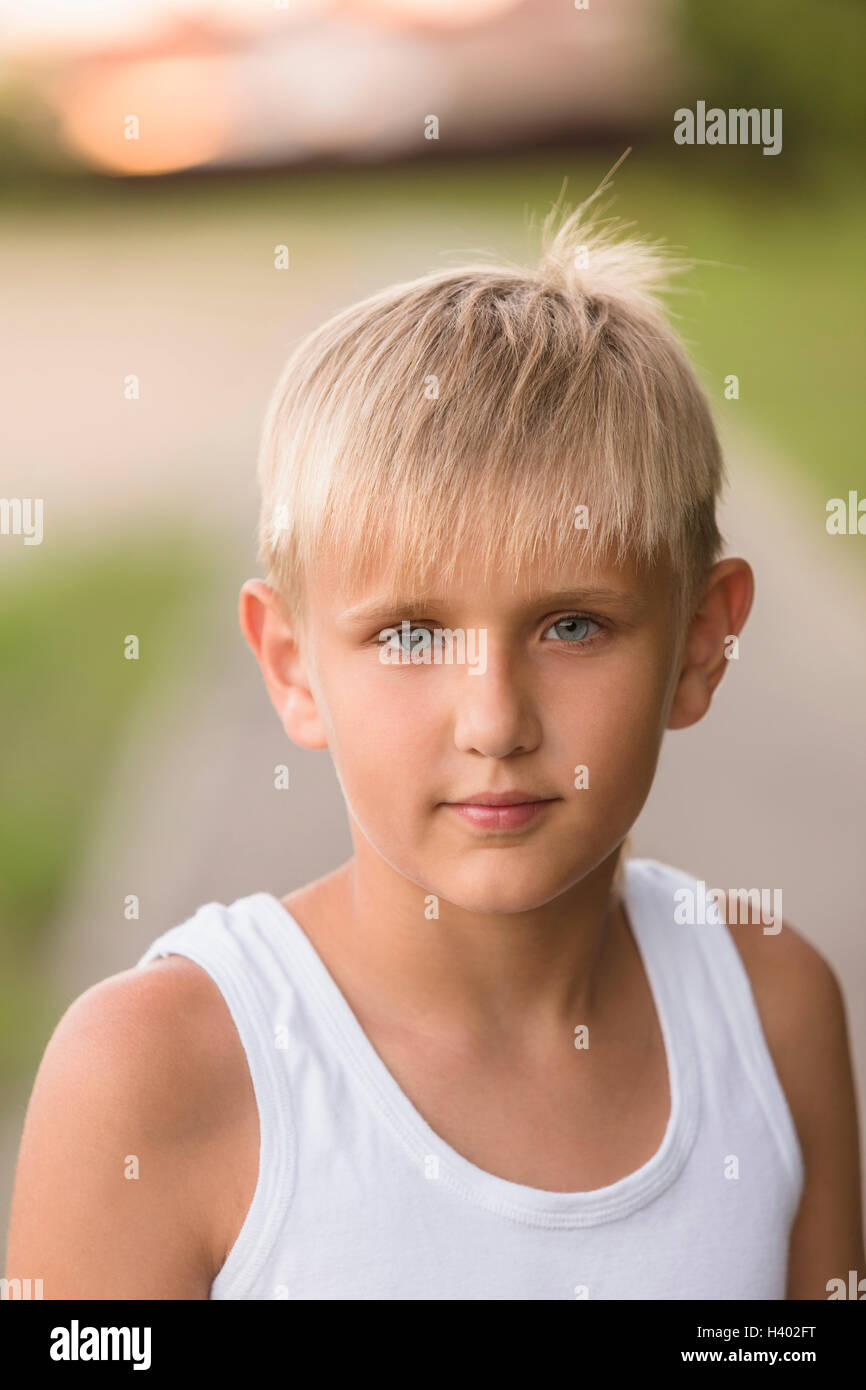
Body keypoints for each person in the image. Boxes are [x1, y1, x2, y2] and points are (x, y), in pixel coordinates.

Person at [6, 175, 863, 1300]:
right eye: (410, 633)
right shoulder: (157, 1073)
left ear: (701, 643)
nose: (495, 720)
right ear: (291, 664)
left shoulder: (774, 1009)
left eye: (571, 625)